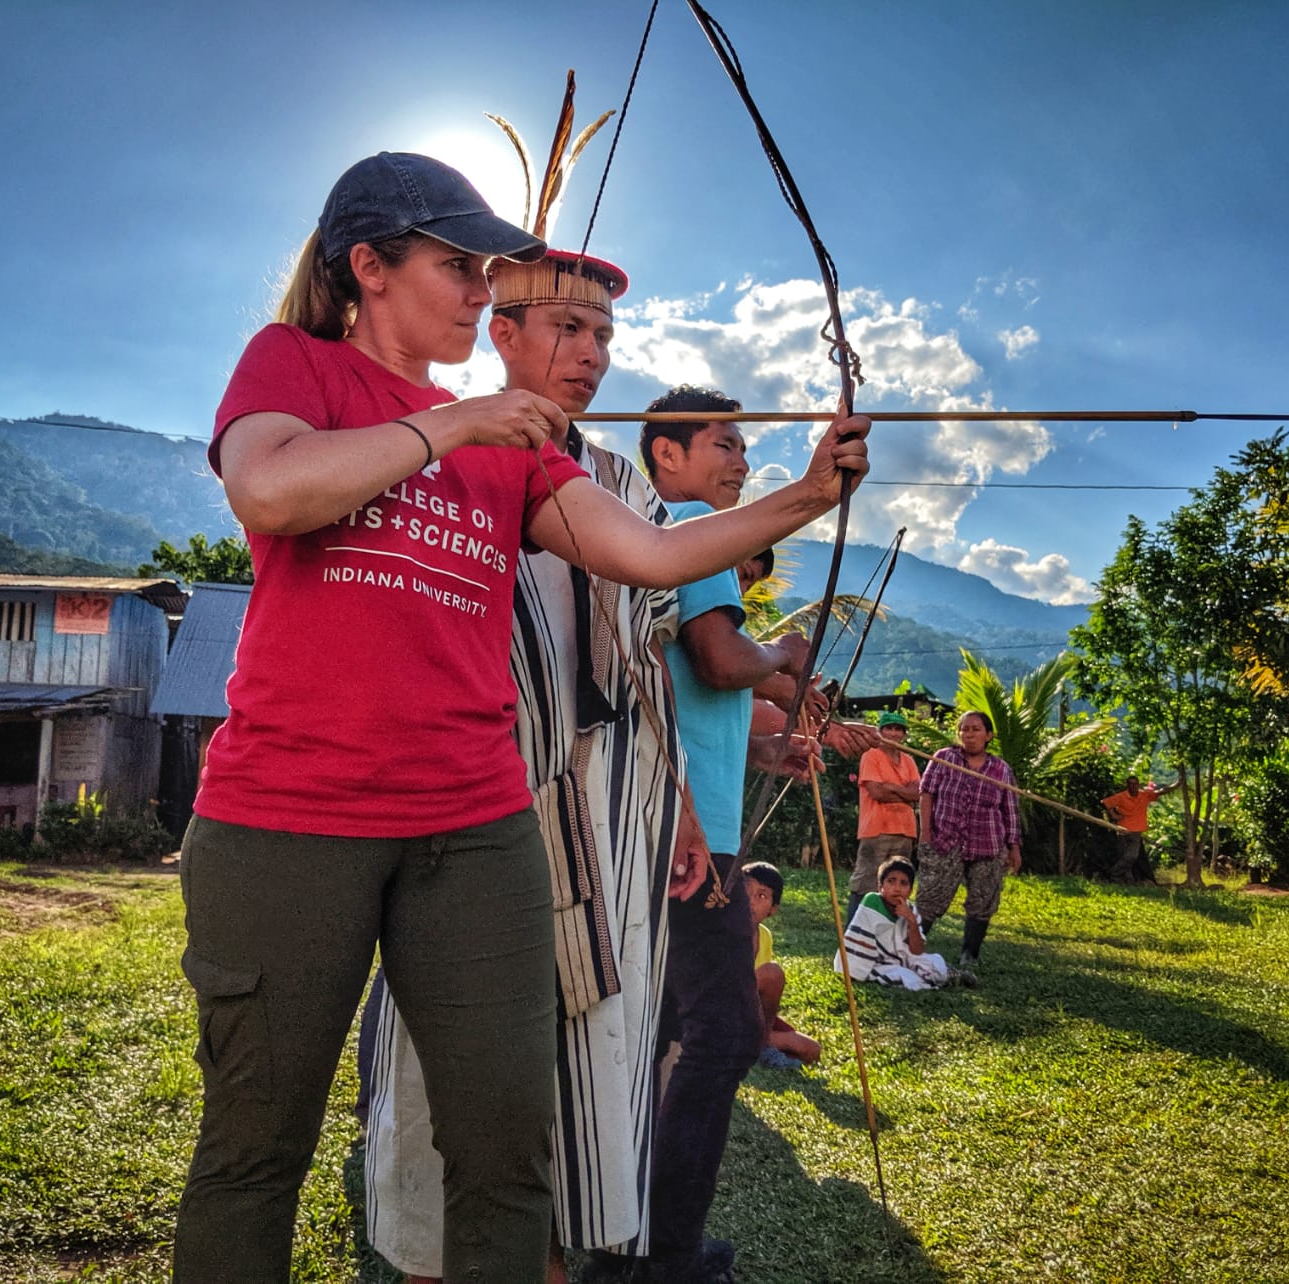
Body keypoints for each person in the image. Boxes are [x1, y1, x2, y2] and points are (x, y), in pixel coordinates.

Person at [174, 152, 868, 1283]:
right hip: (289, 816)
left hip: (474, 823)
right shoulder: (300, 367)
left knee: (504, 1149)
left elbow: (646, 551)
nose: (478, 291)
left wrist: (807, 492)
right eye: (459, 266)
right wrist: (457, 425)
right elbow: (269, 491)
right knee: (257, 1149)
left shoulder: (512, 447)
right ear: (370, 266)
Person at [363, 239, 700, 1281]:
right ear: (495, 331)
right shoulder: (428, 454)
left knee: (585, 1068)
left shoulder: (616, 488)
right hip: (465, 809)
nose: (591, 352)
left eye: (603, 334)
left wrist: (679, 807)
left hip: (599, 812)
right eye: (565, 326)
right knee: (444, 1073)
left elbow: (644, 667)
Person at [599, 384, 829, 1284]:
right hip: (689, 834)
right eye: (725, 443)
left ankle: (623, 1237)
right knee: (726, 1034)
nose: (740, 460)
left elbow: (694, 696)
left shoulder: (671, 535)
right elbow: (722, 659)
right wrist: (783, 657)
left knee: (656, 1033)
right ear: (668, 455)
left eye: (743, 446)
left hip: (671, 816)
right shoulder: (693, 527)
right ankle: (668, 1258)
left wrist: (769, 751)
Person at [914, 710, 1022, 976]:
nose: (969, 734)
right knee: (930, 896)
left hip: (988, 844)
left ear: (988, 735)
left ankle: (969, 955)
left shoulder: (1000, 770)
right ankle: (910, 949)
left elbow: (1010, 809)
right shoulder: (944, 759)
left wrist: (1014, 846)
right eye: (965, 729)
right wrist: (925, 832)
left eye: (975, 729)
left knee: (983, 899)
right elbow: (926, 794)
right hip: (945, 839)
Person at [743, 861, 821, 1069]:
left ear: (773, 909)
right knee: (772, 973)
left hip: (750, 1017)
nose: (750, 901)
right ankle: (757, 1045)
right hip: (721, 1011)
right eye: (745, 891)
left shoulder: (765, 937)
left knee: (811, 1050)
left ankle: (758, 1042)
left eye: (761, 896)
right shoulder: (722, 929)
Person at [836, 857, 958, 990]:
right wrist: (853, 972)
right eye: (891, 881)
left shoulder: (910, 909)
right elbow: (859, 941)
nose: (897, 888)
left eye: (904, 883)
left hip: (903, 958)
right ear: (880, 886)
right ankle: (943, 976)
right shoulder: (872, 902)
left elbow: (917, 950)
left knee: (934, 967)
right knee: (907, 978)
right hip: (877, 962)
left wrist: (911, 920)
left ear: (910, 890)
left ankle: (953, 974)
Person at [847, 710, 920, 926]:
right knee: (866, 881)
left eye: (898, 729)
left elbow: (917, 794)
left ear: (904, 735)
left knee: (896, 884)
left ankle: (886, 929)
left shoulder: (909, 761)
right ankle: (854, 929)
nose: (893, 733)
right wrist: (903, 791)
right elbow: (876, 792)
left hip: (905, 830)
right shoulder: (871, 756)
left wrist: (891, 787)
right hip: (877, 829)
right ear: (880, 731)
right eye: (889, 728)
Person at [1101, 773, 1174, 883]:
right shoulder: (1121, 796)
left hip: (1136, 831)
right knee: (1123, 856)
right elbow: (1106, 802)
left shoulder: (1144, 795)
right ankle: (1125, 880)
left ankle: (1114, 873)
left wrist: (1177, 784)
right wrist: (1113, 815)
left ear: (1138, 785)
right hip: (1122, 830)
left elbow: (1160, 792)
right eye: (1131, 784)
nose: (1133, 786)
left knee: (1132, 856)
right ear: (1127, 785)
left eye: (1135, 784)